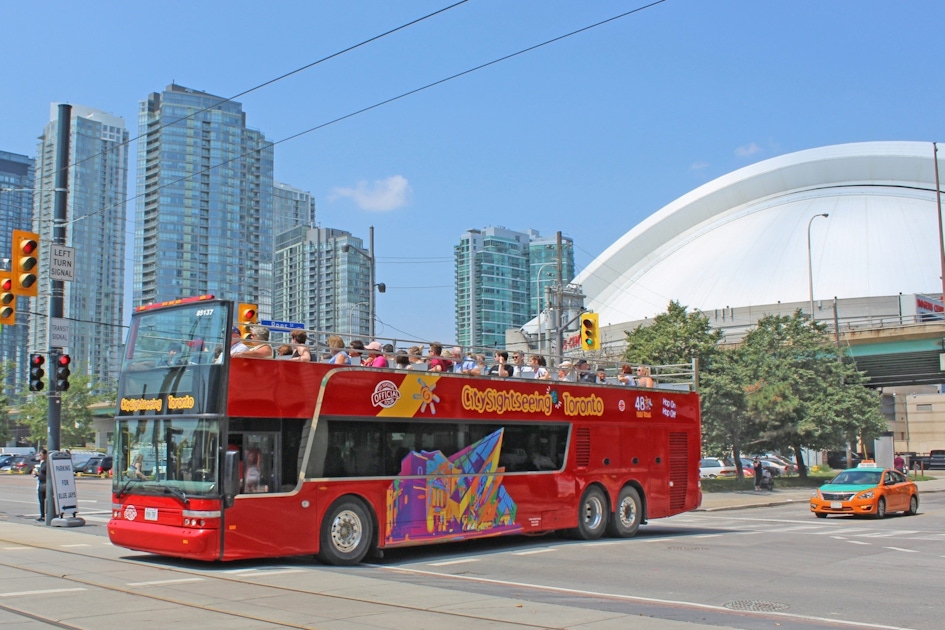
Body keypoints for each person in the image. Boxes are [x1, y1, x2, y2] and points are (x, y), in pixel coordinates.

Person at [34, 448, 47, 521]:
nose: (40, 456)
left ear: (45, 455)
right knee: (41, 500)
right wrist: (37, 474)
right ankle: (42, 515)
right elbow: (41, 472)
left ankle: (49, 514)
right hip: (41, 483)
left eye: (41, 455)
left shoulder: (48, 463)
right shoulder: (43, 462)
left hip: (45, 484)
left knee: (48, 500)